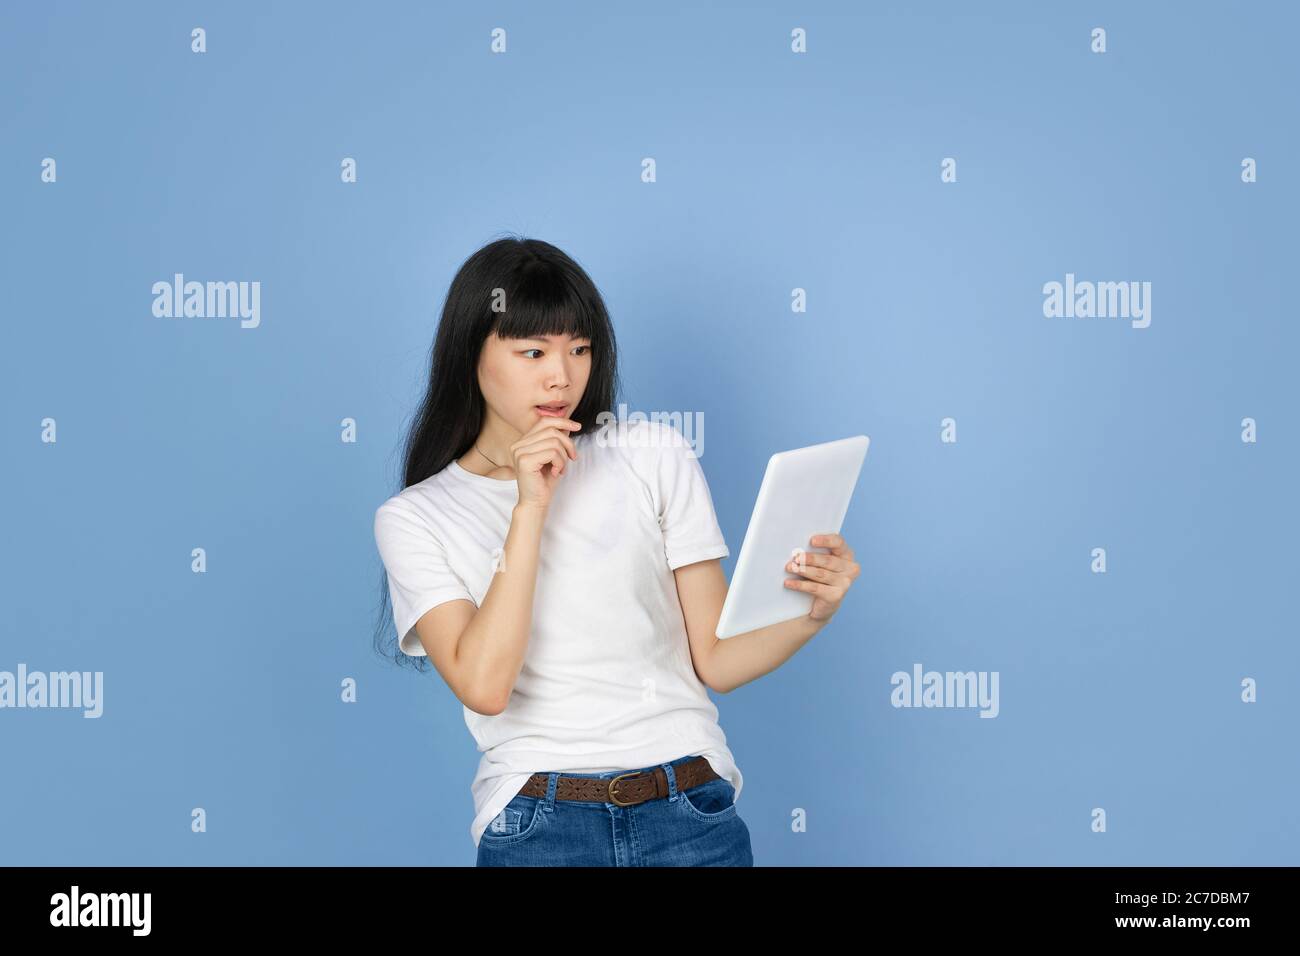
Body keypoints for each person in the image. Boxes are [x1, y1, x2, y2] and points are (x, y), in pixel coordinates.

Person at [372, 235, 859, 865]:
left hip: (688, 808)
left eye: (579, 348)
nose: (562, 375)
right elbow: (485, 685)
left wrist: (811, 614)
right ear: (472, 354)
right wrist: (530, 508)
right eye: (533, 350)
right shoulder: (416, 517)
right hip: (538, 823)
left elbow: (714, 658)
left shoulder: (652, 454)